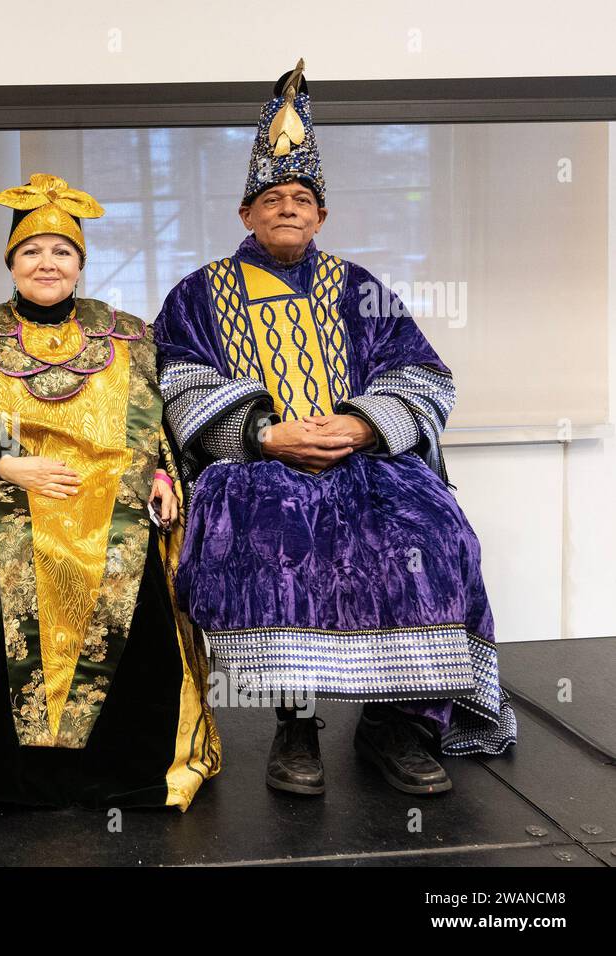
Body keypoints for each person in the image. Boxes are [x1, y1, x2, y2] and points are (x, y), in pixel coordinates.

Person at [154, 61, 516, 798]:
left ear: (321, 216)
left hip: (366, 463)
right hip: (255, 464)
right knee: (276, 536)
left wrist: (359, 425)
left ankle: (398, 725)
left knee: (434, 535)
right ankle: (295, 725)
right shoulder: (196, 294)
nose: (287, 209)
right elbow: (176, 381)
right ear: (246, 215)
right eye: (272, 199)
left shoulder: (359, 288)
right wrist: (263, 436)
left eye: (301, 199)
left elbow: (421, 374)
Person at [0, 173, 220, 809]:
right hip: (8, 492)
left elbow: (153, 422)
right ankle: (16, 776)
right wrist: (8, 467)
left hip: (114, 494)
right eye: (32, 252)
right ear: (11, 262)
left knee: (144, 583)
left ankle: (127, 770)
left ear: (81, 264)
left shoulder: (127, 335)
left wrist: (158, 475)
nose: (47, 263)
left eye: (62, 252)